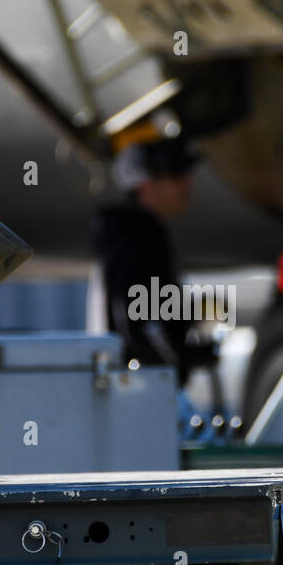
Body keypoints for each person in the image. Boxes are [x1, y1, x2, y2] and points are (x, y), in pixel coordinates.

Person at [91, 135, 216, 386]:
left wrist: (191, 316)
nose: (187, 182)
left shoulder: (133, 235)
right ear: (146, 185)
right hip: (144, 392)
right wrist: (177, 361)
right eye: (175, 173)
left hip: (141, 387)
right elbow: (142, 322)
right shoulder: (136, 239)